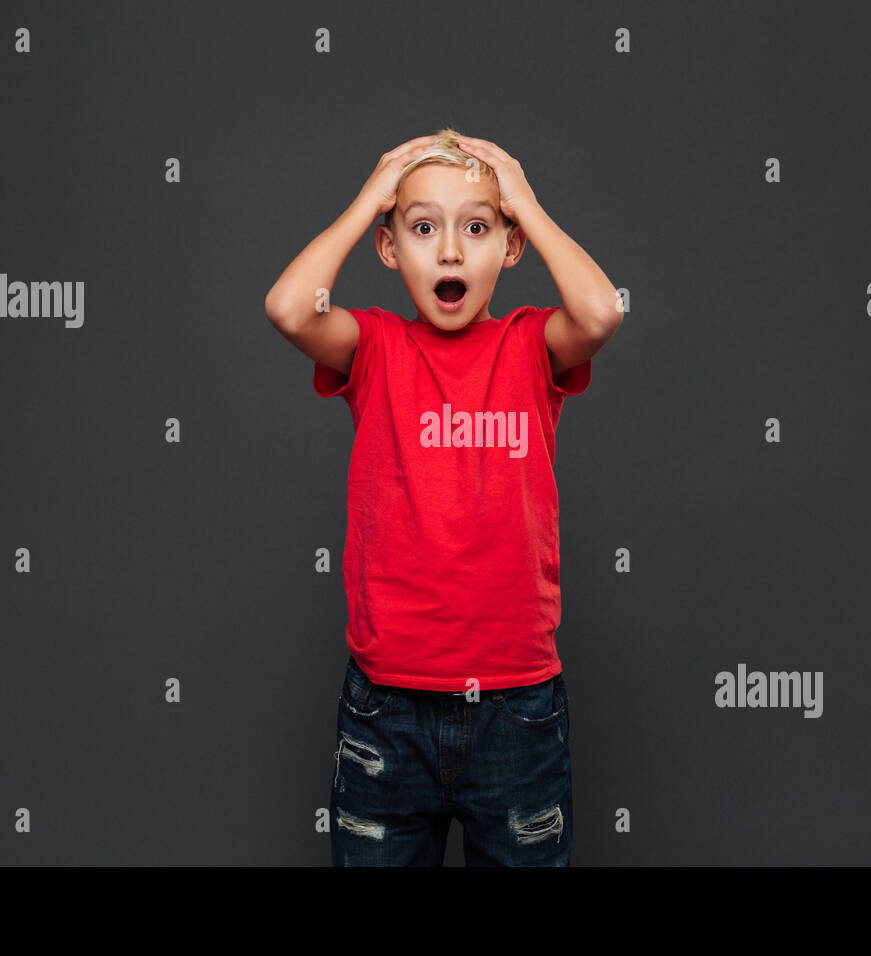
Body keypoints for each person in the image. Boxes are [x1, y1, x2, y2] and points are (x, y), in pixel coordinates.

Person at [265, 128, 623, 865]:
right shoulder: (374, 347)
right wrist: (372, 198)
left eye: (478, 227)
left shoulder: (529, 346)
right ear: (390, 250)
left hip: (515, 710)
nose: (451, 252)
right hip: (386, 710)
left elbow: (601, 313)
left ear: (511, 246)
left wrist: (523, 197)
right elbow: (289, 307)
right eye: (423, 228)